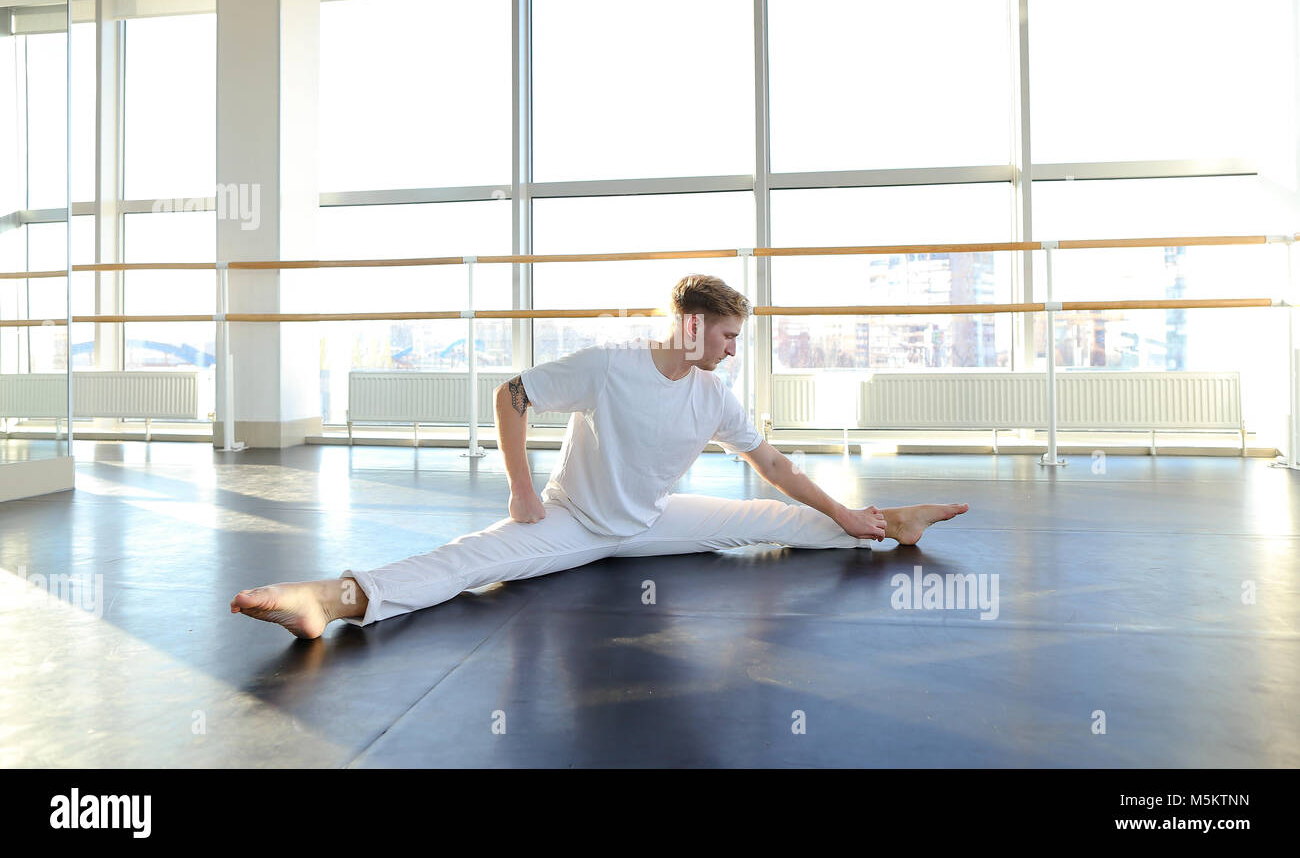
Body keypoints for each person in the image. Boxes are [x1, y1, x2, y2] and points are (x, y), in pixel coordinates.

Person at [230, 274, 968, 639]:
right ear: (692, 325)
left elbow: (775, 466)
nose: (733, 350)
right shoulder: (612, 366)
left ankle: (886, 523)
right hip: (576, 521)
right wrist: (522, 492)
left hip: (651, 520)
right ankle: (327, 599)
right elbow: (511, 395)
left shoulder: (713, 394)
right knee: (469, 564)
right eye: (727, 336)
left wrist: (844, 511)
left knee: (771, 516)